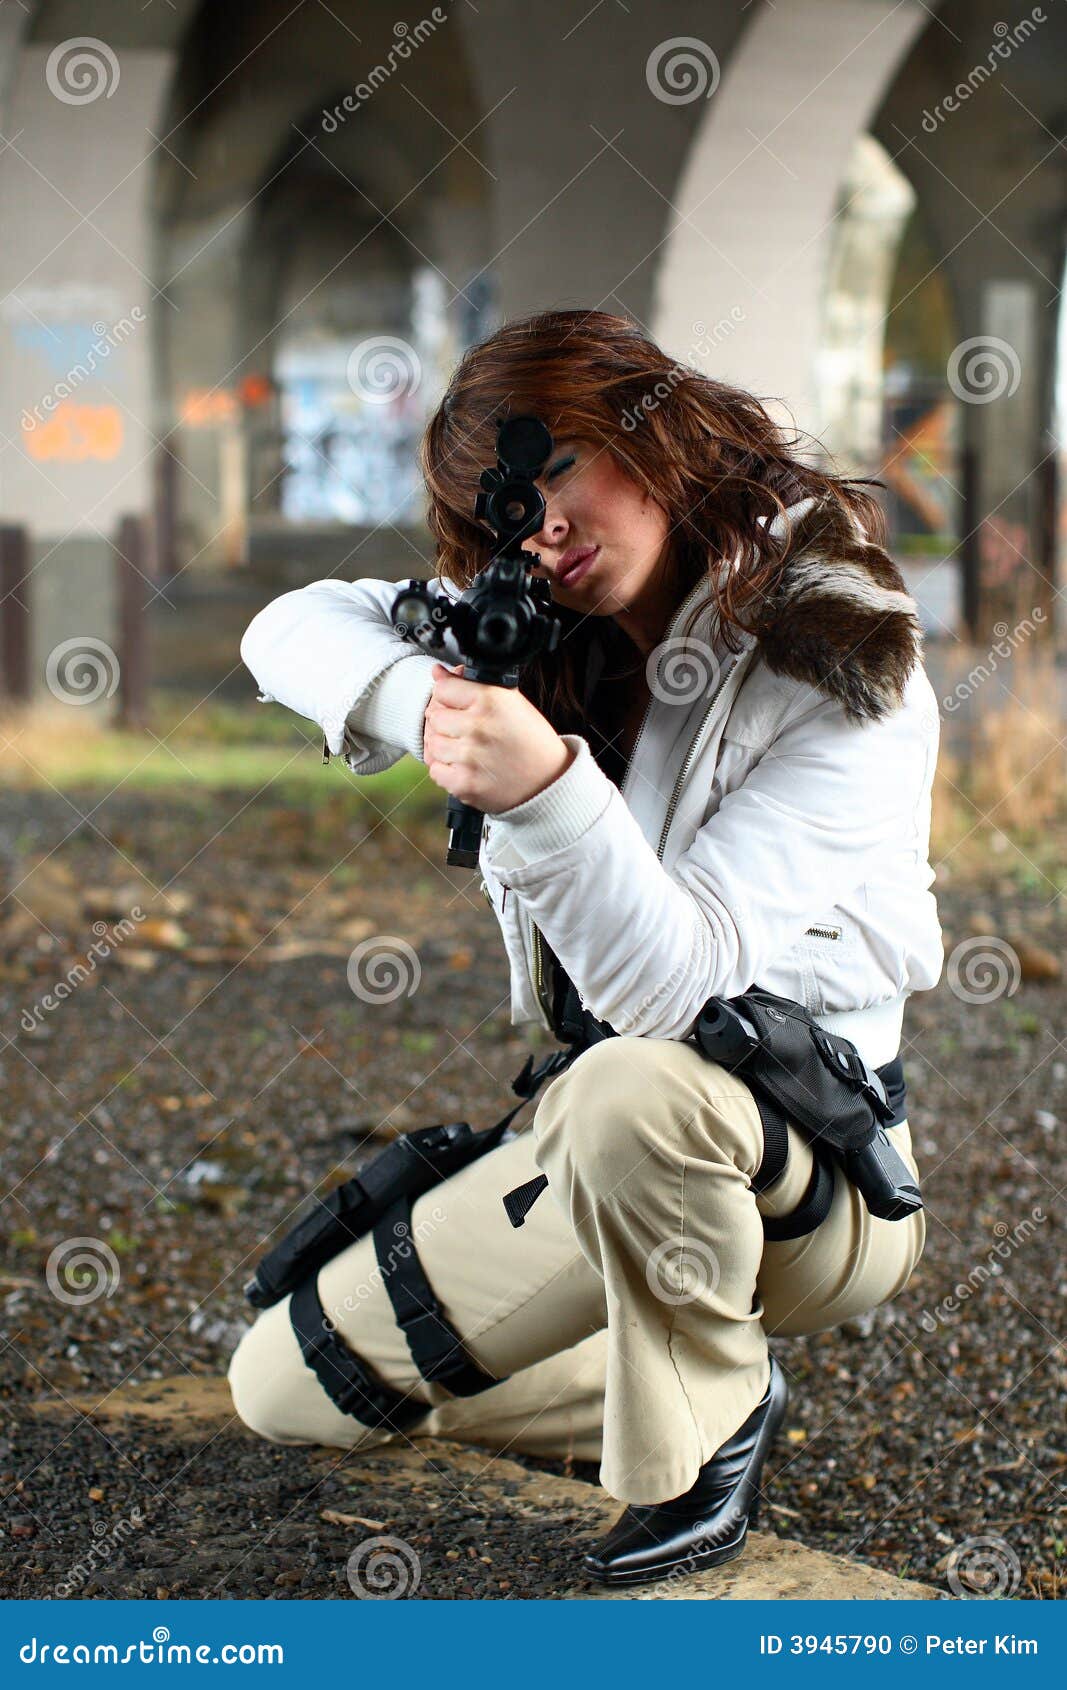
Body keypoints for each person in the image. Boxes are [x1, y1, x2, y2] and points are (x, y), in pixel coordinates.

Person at [228, 308, 943, 1589]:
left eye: (562, 469)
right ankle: (658, 1373)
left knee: (624, 1085)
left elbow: (672, 987)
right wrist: (434, 704)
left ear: (655, 435)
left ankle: (700, 1435)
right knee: (288, 1386)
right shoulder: (537, 623)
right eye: (509, 509)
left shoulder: (838, 652)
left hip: (816, 1182)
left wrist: (542, 788)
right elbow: (285, 627)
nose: (544, 527)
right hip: (609, 1158)